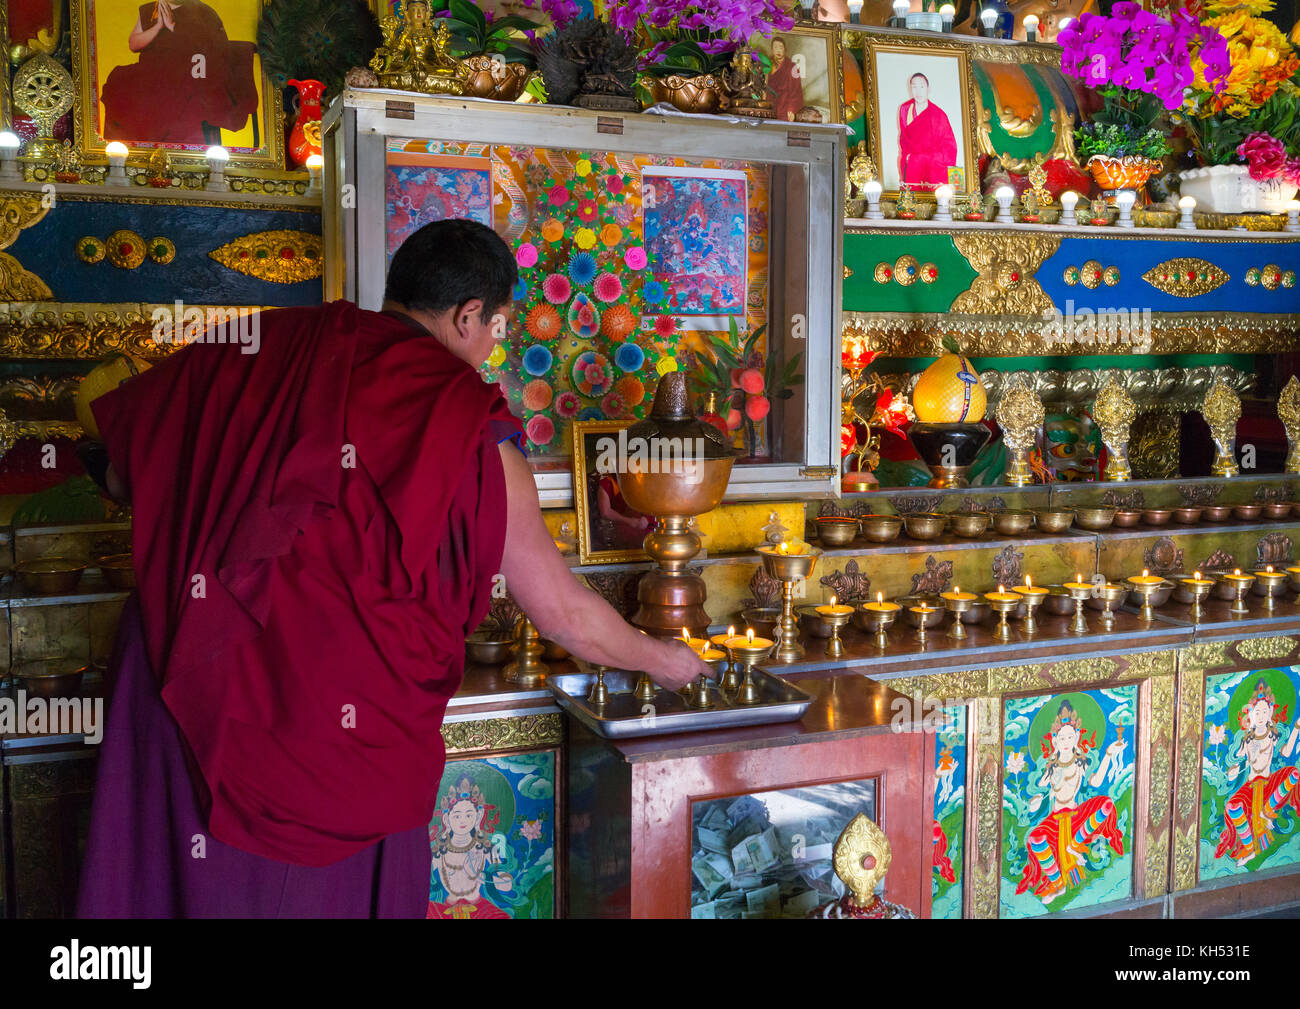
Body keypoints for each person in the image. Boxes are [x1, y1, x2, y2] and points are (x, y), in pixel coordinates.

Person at [76, 218, 708, 918]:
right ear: (469, 315)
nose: (494, 346)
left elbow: (123, 472)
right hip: (310, 743)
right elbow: (563, 615)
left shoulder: (271, 344)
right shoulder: (467, 426)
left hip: (182, 698)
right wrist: (664, 659)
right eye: (497, 327)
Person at [101, 1, 259, 146]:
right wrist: (158, 27)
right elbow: (134, 44)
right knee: (119, 80)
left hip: (188, 70)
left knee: (172, 95)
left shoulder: (203, 12)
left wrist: (173, 28)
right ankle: (128, 148)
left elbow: (212, 49)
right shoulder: (152, 9)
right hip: (152, 70)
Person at [896, 72, 958, 190]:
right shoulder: (904, 110)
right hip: (911, 169)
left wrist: (926, 158)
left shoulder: (938, 115)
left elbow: (950, 147)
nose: (918, 91)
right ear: (910, 89)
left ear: (928, 89)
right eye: (914, 87)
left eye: (922, 87)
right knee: (911, 205)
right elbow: (903, 141)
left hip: (933, 170)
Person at [767, 38, 805, 123]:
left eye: (781, 47)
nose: (778, 50)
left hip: (784, 106)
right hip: (768, 106)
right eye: (776, 47)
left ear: (785, 49)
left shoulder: (792, 67)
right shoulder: (766, 65)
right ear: (772, 50)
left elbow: (796, 91)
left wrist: (792, 109)